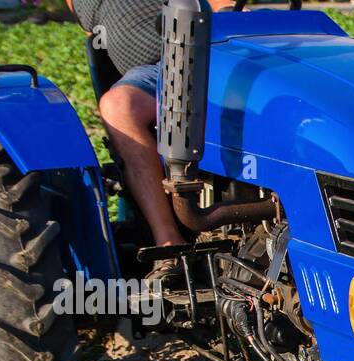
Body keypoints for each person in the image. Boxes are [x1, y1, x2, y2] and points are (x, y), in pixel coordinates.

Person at [68, 0, 234, 251]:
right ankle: (167, 239)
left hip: (201, 55)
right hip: (153, 73)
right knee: (119, 106)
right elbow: (95, 37)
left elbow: (226, 6)